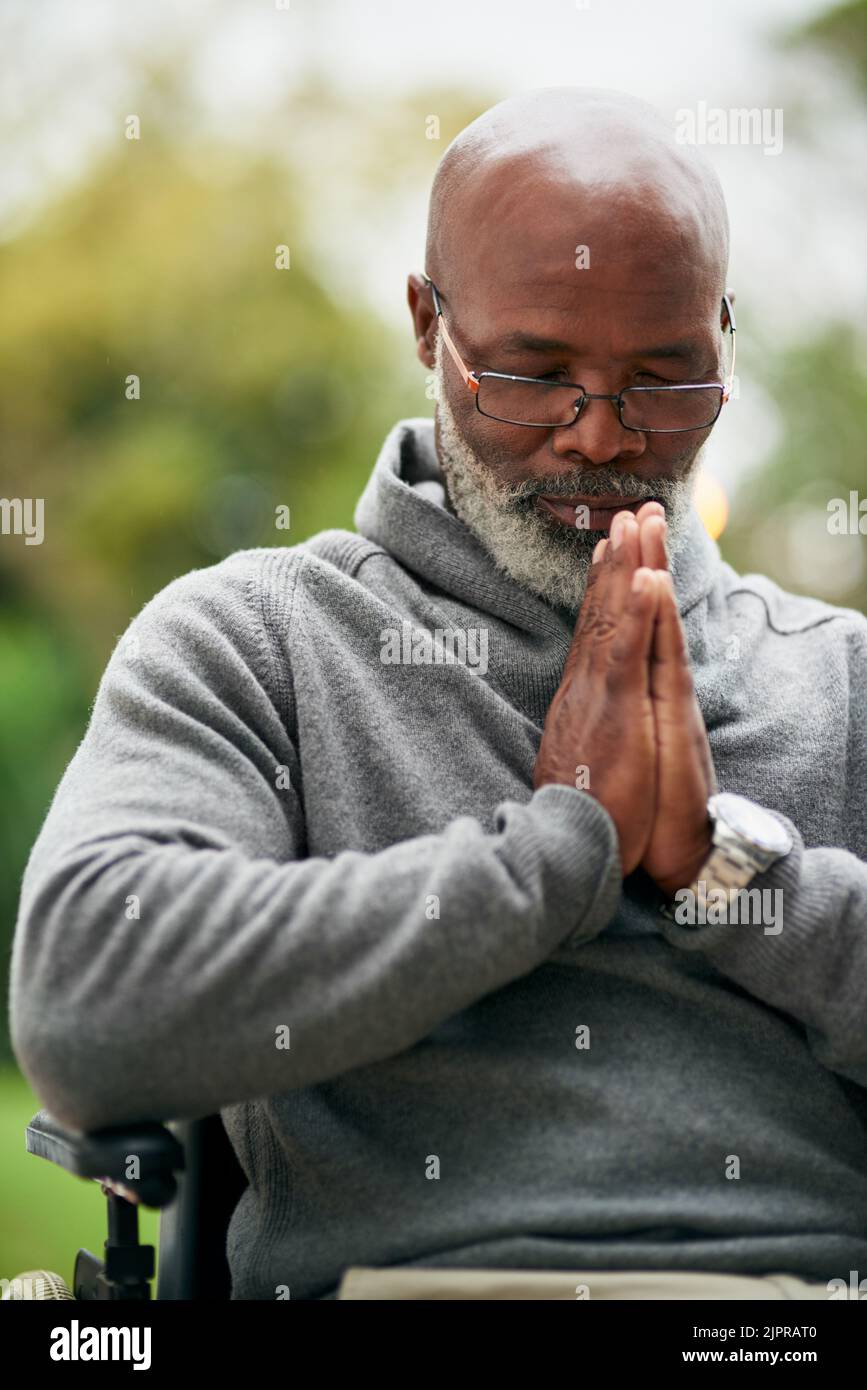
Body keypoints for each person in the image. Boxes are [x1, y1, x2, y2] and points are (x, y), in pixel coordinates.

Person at [10, 87, 867, 1301]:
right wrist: (559, 852)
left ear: (726, 340)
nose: (601, 437)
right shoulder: (260, 643)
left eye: (664, 381)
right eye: (535, 374)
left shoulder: (839, 677)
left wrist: (730, 873)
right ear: (428, 325)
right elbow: (88, 1005)